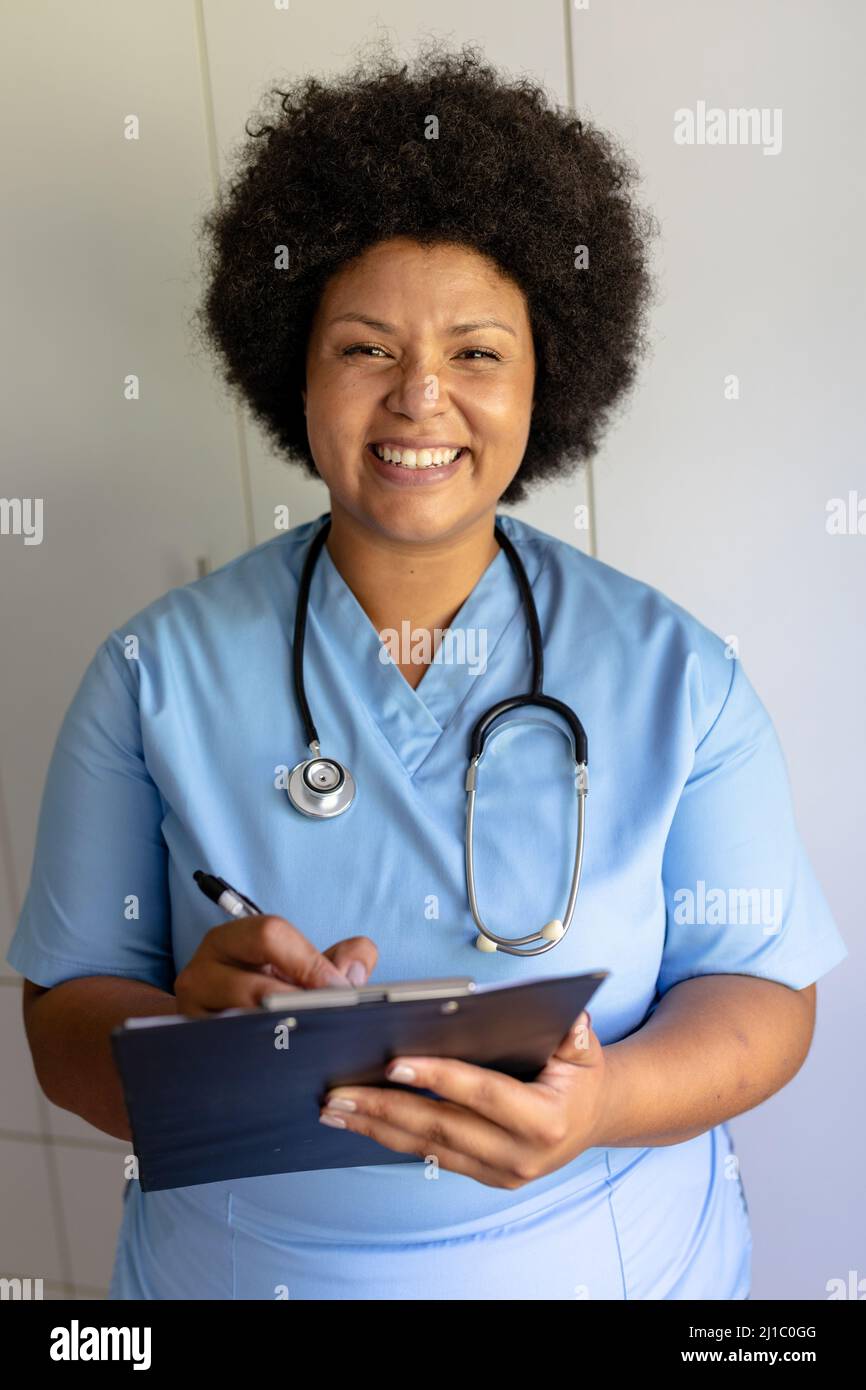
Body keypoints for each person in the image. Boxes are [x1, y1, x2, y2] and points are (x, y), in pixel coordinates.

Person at [10, 41, 846, 1300]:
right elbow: (65, 1016)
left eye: (474, 352)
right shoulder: (154, 671)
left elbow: (760, 994)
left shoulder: (678, 672)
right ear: (295, 368)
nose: (418, 399)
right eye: (363, 349)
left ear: (541, 377)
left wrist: (603, 1099)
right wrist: (188, 1035)